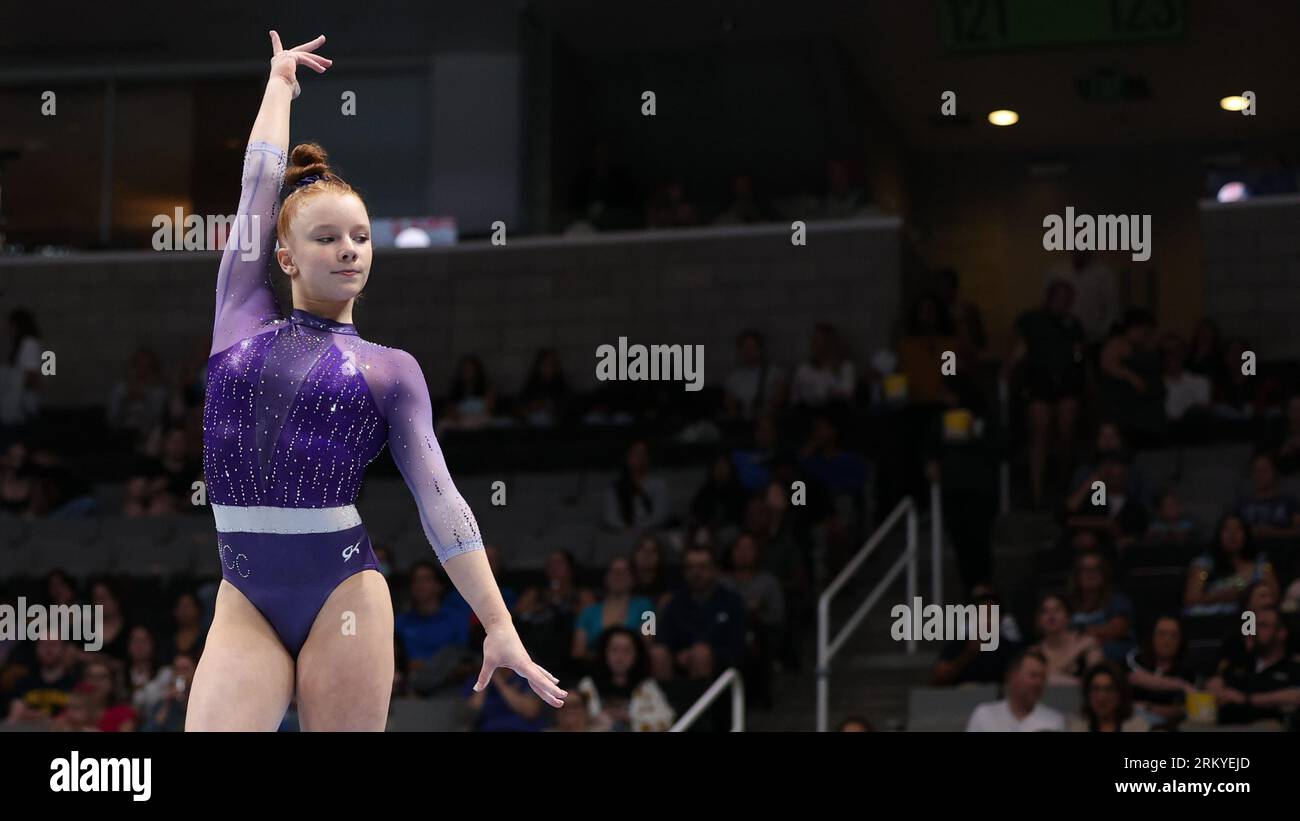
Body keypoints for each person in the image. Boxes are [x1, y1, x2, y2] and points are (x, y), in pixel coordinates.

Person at [187, 31, 563, 731]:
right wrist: (279, 84)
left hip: (344, 591)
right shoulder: (239, 313)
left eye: (359, 236)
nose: (348, 249)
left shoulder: (391, 369)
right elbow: (257, 185)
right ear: (284, 255)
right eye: (326, 238)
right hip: (245, 594)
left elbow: (441, 500)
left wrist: (498, 621)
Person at [1002, 279, 1086, 507]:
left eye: (1069, 300)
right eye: (1061, 298)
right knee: (1039, 429)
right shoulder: (1031, 320)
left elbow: (1080, 356)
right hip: (1039, 382)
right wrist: (1007, 372)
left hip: (1066, 383)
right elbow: (1019, 348)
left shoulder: (1074, 325)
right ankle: (1036, 490)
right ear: (1049, 298)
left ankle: (1063, 480)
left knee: (1067, 425)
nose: (1065, 304)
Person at [1208, 607, 1300, 727]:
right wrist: (1215, 685)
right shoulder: (1238, 663)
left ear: (1281, 633)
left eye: (1262, 625)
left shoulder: (1293, 666)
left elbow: (1296, 696)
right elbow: (1215, 687)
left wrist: (1247, 699)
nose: (1254, 630)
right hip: (1224, 725)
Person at [575, 627, 675, 732]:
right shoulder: (588, 685)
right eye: (614, 650)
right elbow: (571, 721)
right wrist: (597, 719)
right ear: (604, 652)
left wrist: (630, 718)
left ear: (636, 655)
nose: (620, 657)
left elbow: (667, 719)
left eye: (627, 651)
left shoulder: (646, 686)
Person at [1184, 512, 1278, 617]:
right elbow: (1191, 599)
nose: (1232, 534)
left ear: (1246, 533)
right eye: (1226, 529)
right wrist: (1222, 596)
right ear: (1219, 534)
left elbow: (1274, 595)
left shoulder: (1261, 564)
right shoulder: (1203, 564)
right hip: (1211, 619)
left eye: (1238, 529)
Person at [571, 557, 655, 660]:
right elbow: (578, 651)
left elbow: (648, 644)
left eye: (624, 571)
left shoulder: (647, 609)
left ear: (633, 578)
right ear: (606, 577)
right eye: (614, 571)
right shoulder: (588, 611)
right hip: (595, 668)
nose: (618, 575)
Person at [965, 649, 1065, 731]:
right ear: (1012, 676)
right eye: (1033, 676)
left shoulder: (1053, 721)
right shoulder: (984, 715)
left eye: (1042, 678)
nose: (1038, 683)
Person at [1126, 616, 1195, 729]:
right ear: (1152, 637)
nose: (1167, 640)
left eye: (1174, 635)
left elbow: (1185, 710)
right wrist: (1180, 685)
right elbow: (1135, 678)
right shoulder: (1135, 659)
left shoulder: (1189, 670)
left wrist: (1149, 707)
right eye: (1162, 634)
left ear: (1181, 640)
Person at [1031, 592, 1103, 686]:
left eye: (1057, 610)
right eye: (1045, 611)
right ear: (1038, 619)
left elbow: (1098, 682)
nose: (1051, 616)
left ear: (1068, 616)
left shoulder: (1088, 644)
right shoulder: (1034, 652)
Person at [1068, 662, 1149, 732]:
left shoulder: (1138, 727)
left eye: (1109, 689)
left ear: (1120, 694)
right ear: (1087, 694)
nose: (1101, 697)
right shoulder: (1076, 727)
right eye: (1095, 689)